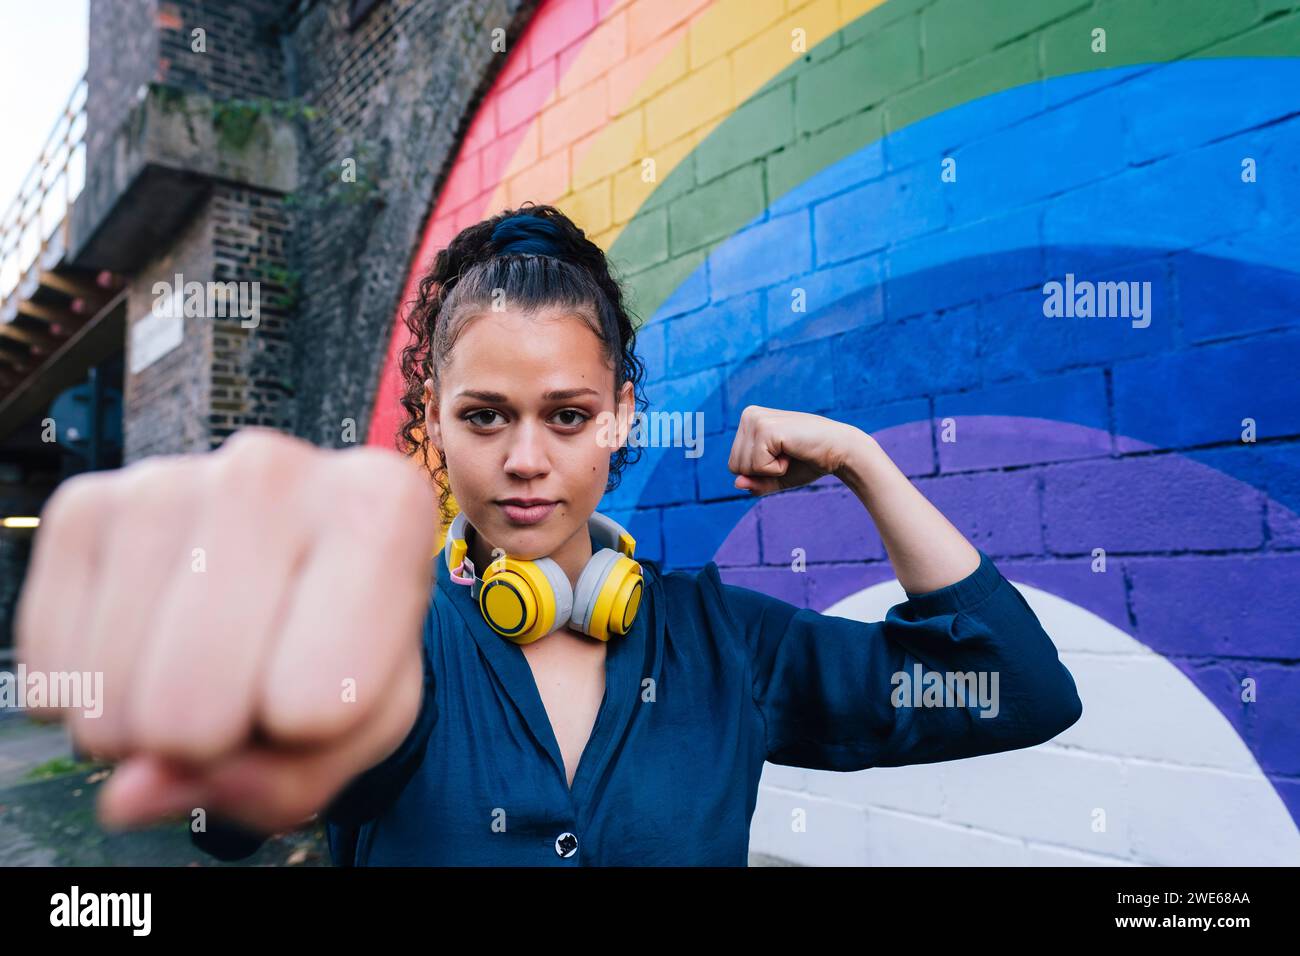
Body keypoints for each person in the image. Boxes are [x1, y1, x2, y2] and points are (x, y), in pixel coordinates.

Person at [14, 203, 1082, 866]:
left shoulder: (729, 648)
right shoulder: (380, 641)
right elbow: (224, 827)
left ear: (620, 413)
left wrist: (861, 458)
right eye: (485, 416)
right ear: (433, 421)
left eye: (567, 415)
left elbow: (1019, 687)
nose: (526, 457)